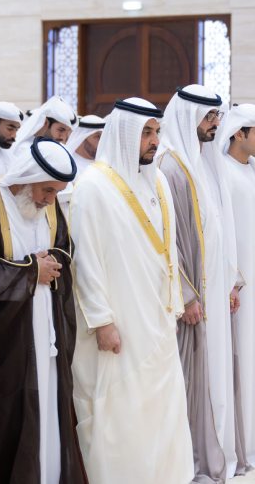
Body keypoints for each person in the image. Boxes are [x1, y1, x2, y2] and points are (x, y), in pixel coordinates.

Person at [69, 97, 192, 484]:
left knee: (161, 407)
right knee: (119, 408)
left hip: (157, 318)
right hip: (117, 323)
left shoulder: (157, 180)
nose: (154, 141)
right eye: (146, 133)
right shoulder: (93, 186)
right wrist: (102, 321)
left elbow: (168, 248)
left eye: (157, 132)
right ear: (124, 133)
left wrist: (174, 301)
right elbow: (85, 260)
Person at [0, 138, 83, 484]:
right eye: (46, 190)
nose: (49, 199)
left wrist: (53, 265)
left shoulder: (49, 206)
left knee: (48, 399)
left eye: (56, 192)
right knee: (7, 411)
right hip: (4, 337)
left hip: (48, 325)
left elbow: (66, 248)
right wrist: (29, 272)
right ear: (27, 178)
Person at [157, 85, 231, 483]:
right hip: (189, 299)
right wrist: (187, 294)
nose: (215, 125)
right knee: (188, 381)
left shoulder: (199, 162)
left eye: (217, 117)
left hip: (211, 292)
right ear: (189, 118)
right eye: (209, 118)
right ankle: (188, 463)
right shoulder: (171, 166)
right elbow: (171, 241)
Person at [213, 103, 255, 466]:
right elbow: (222, 232)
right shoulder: (222, 171)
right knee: (240, 364)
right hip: (236, 286)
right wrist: (232, 281)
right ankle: (239, 446)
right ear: (238, 134)